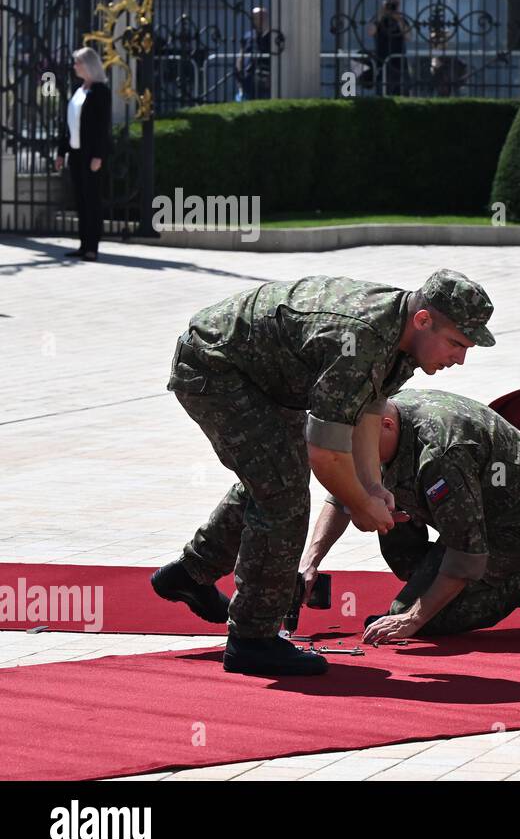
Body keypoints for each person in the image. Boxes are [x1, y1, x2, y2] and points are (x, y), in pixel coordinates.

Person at [150, 270, 496, 676]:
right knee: (283, 495)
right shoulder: (363, 341)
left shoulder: (403, 341)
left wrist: (372, 484)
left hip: (264, 375)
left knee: (273, 478)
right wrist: (360, 504)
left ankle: (191, 574)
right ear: (423, 320)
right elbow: (326, 454)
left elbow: (369, 409)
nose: (459, 357)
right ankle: (252, 639)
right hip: (216, 366)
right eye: (456, 343)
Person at [299, 390, 520, 642]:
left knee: (422, 618)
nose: (352, 456)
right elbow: (344, 495)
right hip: (465, 513)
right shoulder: (372, 424)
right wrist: (309, 564)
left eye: (355, 449)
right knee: (390, 531)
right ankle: (439, 581)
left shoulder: (441, 453)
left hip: (515, 531)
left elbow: (465, 550)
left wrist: (412, 619)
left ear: (385, 426)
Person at [55, 47, 112, 261]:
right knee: (80, 199)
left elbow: (101, 128)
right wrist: (62, 152)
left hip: (91, 155)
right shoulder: (78, 90)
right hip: (76, 153)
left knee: (92, 200)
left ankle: (92, 247)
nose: (74, 66)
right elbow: (68, 124)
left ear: (88, 65)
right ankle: (82, 244)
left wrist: (99, 155)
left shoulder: (101, 92)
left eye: (77, 62)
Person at [368, 0, 410, 97]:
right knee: (382, 94)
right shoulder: (379, 19)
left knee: (402, 94)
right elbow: (370, 32)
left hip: (399, 63)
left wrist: (399, 19)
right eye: (390, 3)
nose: (392, 7)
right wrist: (381, 13)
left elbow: (408, 37)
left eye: (395, 4)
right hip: (382, 62)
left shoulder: (402, 20)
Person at [234, 7, 272, 102]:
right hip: (248, 76)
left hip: (264, 76)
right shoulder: (248, 35)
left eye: (262, 17)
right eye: (256, 17)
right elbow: (241, 54)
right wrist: (239, 70)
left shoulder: (271, 35)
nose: (259, 19)